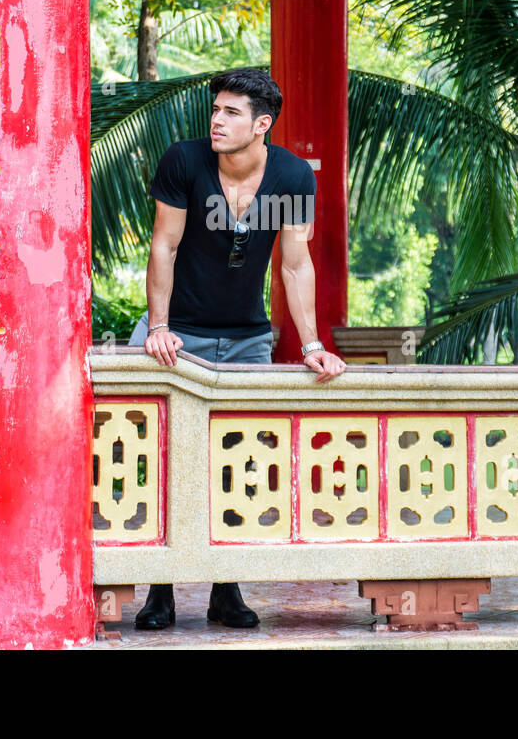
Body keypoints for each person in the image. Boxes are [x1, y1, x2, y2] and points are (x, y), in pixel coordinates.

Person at [128, 67, 347, 630]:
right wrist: (158, 326)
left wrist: (313, 345)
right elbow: (165, 244)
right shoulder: (185, 160)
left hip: (248, 335)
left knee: (240, 463)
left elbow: (295, 262)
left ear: (262, 124)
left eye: (231, 113)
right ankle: (162, 590)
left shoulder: (293, 176)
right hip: (178, 334)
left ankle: (226, 589)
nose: (217, 121)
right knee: (163, 459)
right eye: (215, 110)